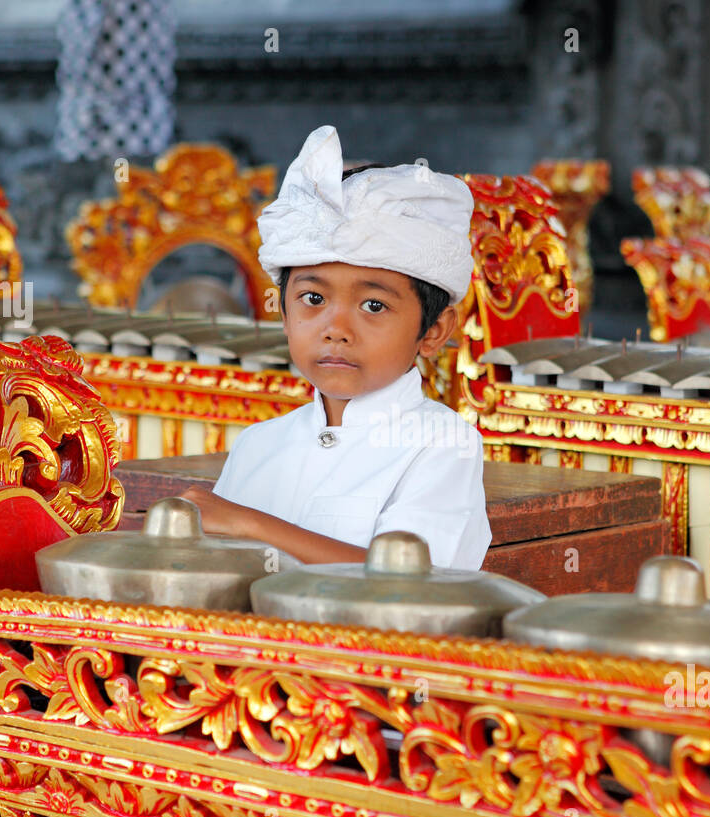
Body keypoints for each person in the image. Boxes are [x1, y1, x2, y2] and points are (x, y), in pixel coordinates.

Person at [179, 125, 491, 571]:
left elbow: (411, 585)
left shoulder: (442, 445)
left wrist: (249, 525)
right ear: (283, 313)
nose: (336, 329)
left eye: (373, 305)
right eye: (313, 299)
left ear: (434, 330)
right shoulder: (258, 444)